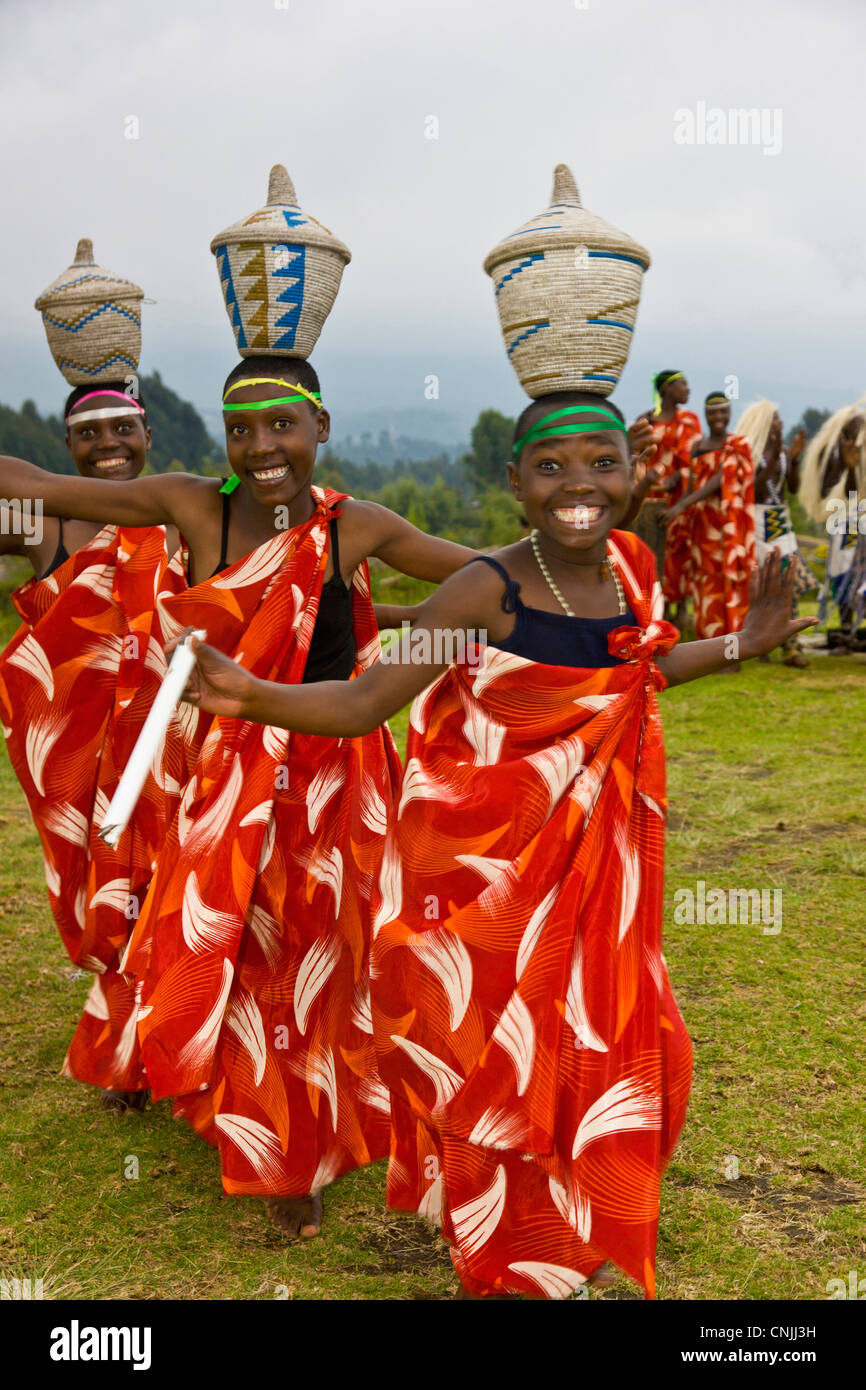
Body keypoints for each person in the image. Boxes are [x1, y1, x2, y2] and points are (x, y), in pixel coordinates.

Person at [172, 391, 811, 1299]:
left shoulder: (633, 565)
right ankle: (504, 1256)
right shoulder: (485, 588)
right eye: (551, 468)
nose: (578, 486)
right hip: (486, 879)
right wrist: (251, 696)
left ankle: (566, 1224)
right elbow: (365, 703)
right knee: (499, 1067)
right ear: (514, 482)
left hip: (604, 872)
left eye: (601, 462)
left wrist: (740, 645)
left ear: (632, 475)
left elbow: (640, 666)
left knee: (631, 1047)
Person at [0, 355, 478, 1237]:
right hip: (221, 776)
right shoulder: (192, 504)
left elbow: (489, 579)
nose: (263, 447)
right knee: (238, 946)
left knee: (319, 962)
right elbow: (35, 485)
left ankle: (301, 1146)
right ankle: (262, 1131)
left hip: (336, 780)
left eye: (282, 426)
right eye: (242, 429)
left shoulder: (354, 528)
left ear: (321, 429)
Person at [0, 382, 184, 1113]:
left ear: (149, 436)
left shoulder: (187, 516)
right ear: (67, 447)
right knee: (106, 894)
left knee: (169, 886)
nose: (109, 444)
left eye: (124, 429)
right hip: (76, 754)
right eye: (90, 433)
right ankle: (132, 1043)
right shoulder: (41, 525)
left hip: (170, 745)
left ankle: (154, 1045)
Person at [662, 392, 755, 642]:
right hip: (702, 528)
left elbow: (721, 479)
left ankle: (734, 646)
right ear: (705, 414)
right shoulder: (697, 447)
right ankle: (710, 647)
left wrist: (682, 505)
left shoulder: (738, 445)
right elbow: (693, 485)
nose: (719, 417)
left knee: (730, 583)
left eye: (723, 412)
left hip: (731, 528)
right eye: (713, 413)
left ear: (730, 413)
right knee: (706, 586)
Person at [735, 400, 814, 668]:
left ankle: (790, 646)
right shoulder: (750, 452)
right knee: (760, 582)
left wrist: (793, 459)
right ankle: (759, 641)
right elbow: (751, 488)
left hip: (779, 518)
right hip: (756, 518)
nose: (780, 423)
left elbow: (792, 487)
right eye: (776, 419)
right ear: (765, 423)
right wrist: (770, 457)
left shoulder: (781, 452)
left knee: (786, 579)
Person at [628, 370, 701, 621]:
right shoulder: (646, 421)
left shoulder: (690, 420)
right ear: (666, 389)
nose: (688, 389)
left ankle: (679, 610)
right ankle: (655, 609)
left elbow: (694, 458)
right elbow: (634, 455)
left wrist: (679, 476)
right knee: (650, 552)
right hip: (648, 498)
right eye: (683, 384)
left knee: (679, 553)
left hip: (680, 498)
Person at [798, 405, 866, 650]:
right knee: (843, 574)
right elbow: (835, 494)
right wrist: (849, 467)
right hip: (844, 525)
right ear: (842, 433)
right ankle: (847, 631)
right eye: (853, 430)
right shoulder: (832, 458)